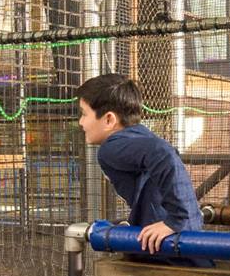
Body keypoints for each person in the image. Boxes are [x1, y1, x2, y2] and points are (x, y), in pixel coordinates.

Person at [77, 72, 200, 256]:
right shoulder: (139, 135)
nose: (81, 122)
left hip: (167, 248)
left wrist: (176, 219)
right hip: (181, 240)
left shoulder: (111, 148)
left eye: (84, 114)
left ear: (109, 119)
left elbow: (162, 154)